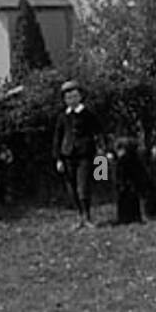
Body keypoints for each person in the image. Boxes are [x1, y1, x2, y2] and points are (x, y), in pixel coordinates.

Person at [52, 79, 102, 229]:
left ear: (80, 97)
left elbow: (98, 133)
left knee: (83, 186)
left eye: (74, 96)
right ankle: (79, 216)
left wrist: (101, 154)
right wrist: (58, 159)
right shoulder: (62, 117)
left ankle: (87, 216)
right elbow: (57, 138)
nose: (71, 100)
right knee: (71, 187)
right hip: (67, 155)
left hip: (84, 155)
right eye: (68, 97)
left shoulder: (87, 114)